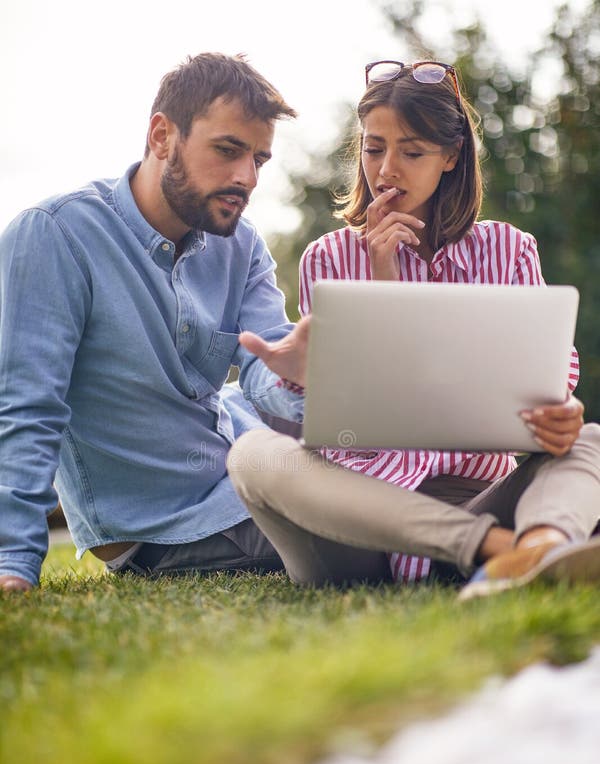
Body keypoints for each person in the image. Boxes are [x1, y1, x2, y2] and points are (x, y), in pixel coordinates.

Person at [227, 59, 600, 600]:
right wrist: (306, 372)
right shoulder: (327, 258)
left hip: (478, 491)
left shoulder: (510, 251)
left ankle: (545, 546)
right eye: (374, 148)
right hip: (359, 522)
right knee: (252, 455)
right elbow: (345, 411)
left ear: (451, 157)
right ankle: (502, 552)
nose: (387, 170)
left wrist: (559, 416)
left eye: (413, 152)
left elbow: (552, 376)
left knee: (591, 439)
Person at [0, 52, 306, 594]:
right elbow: (27, 407)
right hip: (161, 525)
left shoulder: (242, 243)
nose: (246, 178)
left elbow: (266, 369)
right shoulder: (55, 236)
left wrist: (299, 374)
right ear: (162, 136)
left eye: (259, 159)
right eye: (228, 150)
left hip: (242, 468)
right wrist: (13, 564)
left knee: (400, 476)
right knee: (367, 528)